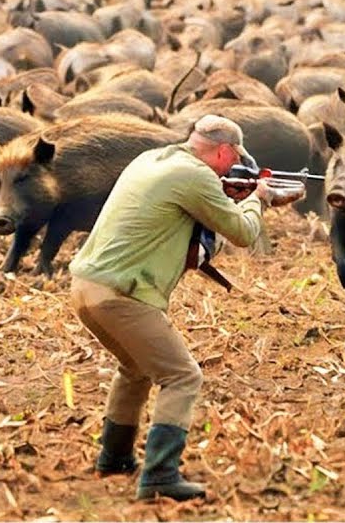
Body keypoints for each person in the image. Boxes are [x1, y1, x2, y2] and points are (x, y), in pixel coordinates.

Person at [67, 114, 299, 501]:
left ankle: (114, 459)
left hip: (86, 288)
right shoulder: (196, 177)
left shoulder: (152, 159)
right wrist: (259, 199)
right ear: (225, 151)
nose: (232, 164)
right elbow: (241, 233)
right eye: (232, 158)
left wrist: (236, 198)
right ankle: (160, 477)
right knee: (182, 377)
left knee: (135, 368)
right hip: (123, 294)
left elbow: (191, 208)